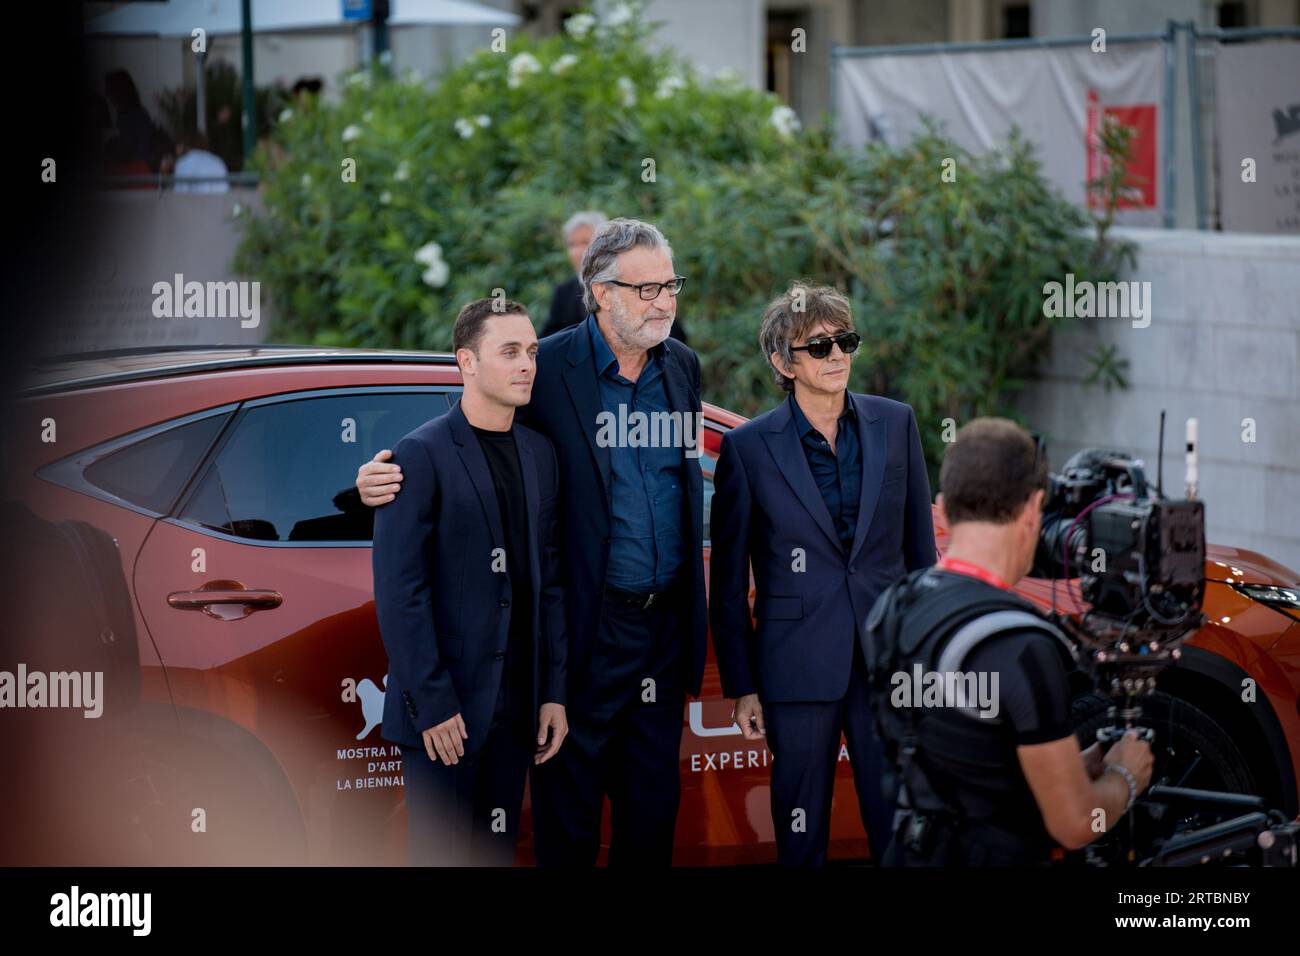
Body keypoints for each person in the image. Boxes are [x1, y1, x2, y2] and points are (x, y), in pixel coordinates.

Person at [359, 219, 708, 866]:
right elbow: (466, 430)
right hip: (582, 630)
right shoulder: (548, 367)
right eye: (649, 288)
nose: (666, 301)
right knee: (568, 822)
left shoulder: (681, 369)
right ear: (601, 293)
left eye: (672, 284)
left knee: (652, 815)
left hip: (663, 636)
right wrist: (374, 474)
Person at [709, 282, 936, 866]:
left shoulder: (897, 423)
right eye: (818, 346)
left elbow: (921, 554)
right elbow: (729, 581)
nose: (837, 355)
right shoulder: (749, 449)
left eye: (846, 341)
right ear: (782, 361)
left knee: (898, 826)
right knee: (801, 830)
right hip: (795, 666)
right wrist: (742, 685)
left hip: (887, 663)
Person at [862, 418, 1154, 866]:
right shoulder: (1022, 645)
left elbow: (964, 751)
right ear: (1034, 507)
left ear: (944, 505)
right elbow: (1076, 824)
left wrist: (1079, 768)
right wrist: (1124, 776)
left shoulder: (893, 607)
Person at [372, 297, 568, 866]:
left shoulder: (540, 454)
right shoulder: (420, 453)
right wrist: (432, 704)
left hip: (516, 713)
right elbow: (400, 591)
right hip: (445, 714)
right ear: (467, 362)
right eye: (509, 352)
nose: (527, 364)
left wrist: (552, 693)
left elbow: (549, 584)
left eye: (531, 351)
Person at [541, 211, 688, 344]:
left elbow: (672, 334)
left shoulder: (680, 357)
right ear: (601, 293)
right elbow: (550, 335)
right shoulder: (563, 291)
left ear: (606, 245)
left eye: (585, 242)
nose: (579, 252)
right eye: (572, 245)